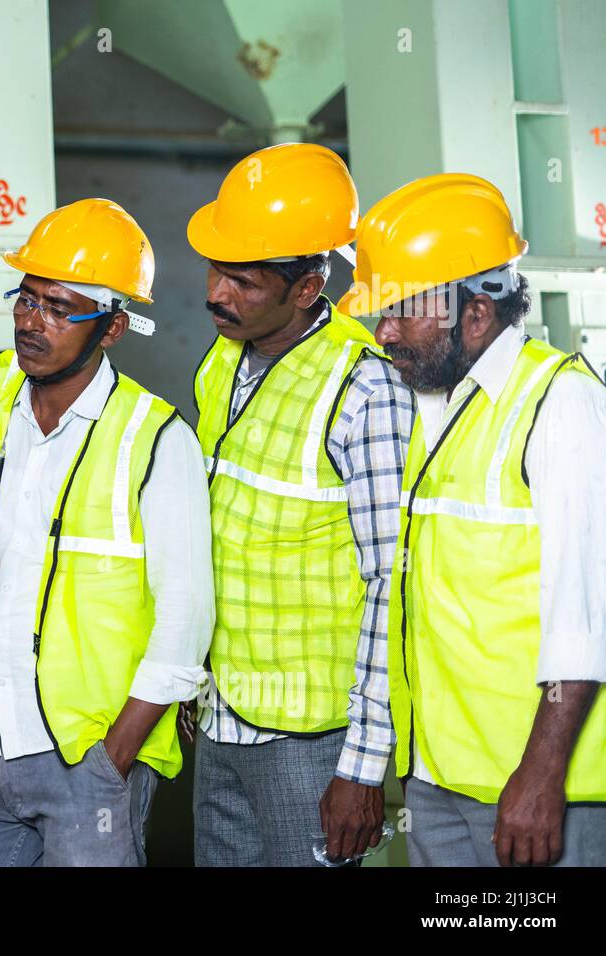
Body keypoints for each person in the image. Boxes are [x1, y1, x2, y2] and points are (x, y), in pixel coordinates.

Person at [0, 198, 215, 867]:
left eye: (59, 307)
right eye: (27, 298)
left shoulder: (156, 439)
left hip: (87, 760)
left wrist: (114, 760)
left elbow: (186, 620)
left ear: (110, 328)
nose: (31, 321)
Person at [341, 172, 606, 866]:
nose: (383, 331)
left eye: (400, 312)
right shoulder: (439, 405)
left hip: (538, 788)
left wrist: (541, 774)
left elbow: (584, 612)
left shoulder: (560, 404)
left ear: (476, 315)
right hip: (439, 779)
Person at [184, 143, 415, 866]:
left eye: (243, 281)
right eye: (215, 269)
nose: (217, 293)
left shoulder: (366, 390)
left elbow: (391, 583)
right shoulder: (224, 360)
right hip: (221, 721)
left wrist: (362, 766)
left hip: (315, 745)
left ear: (310, 285)